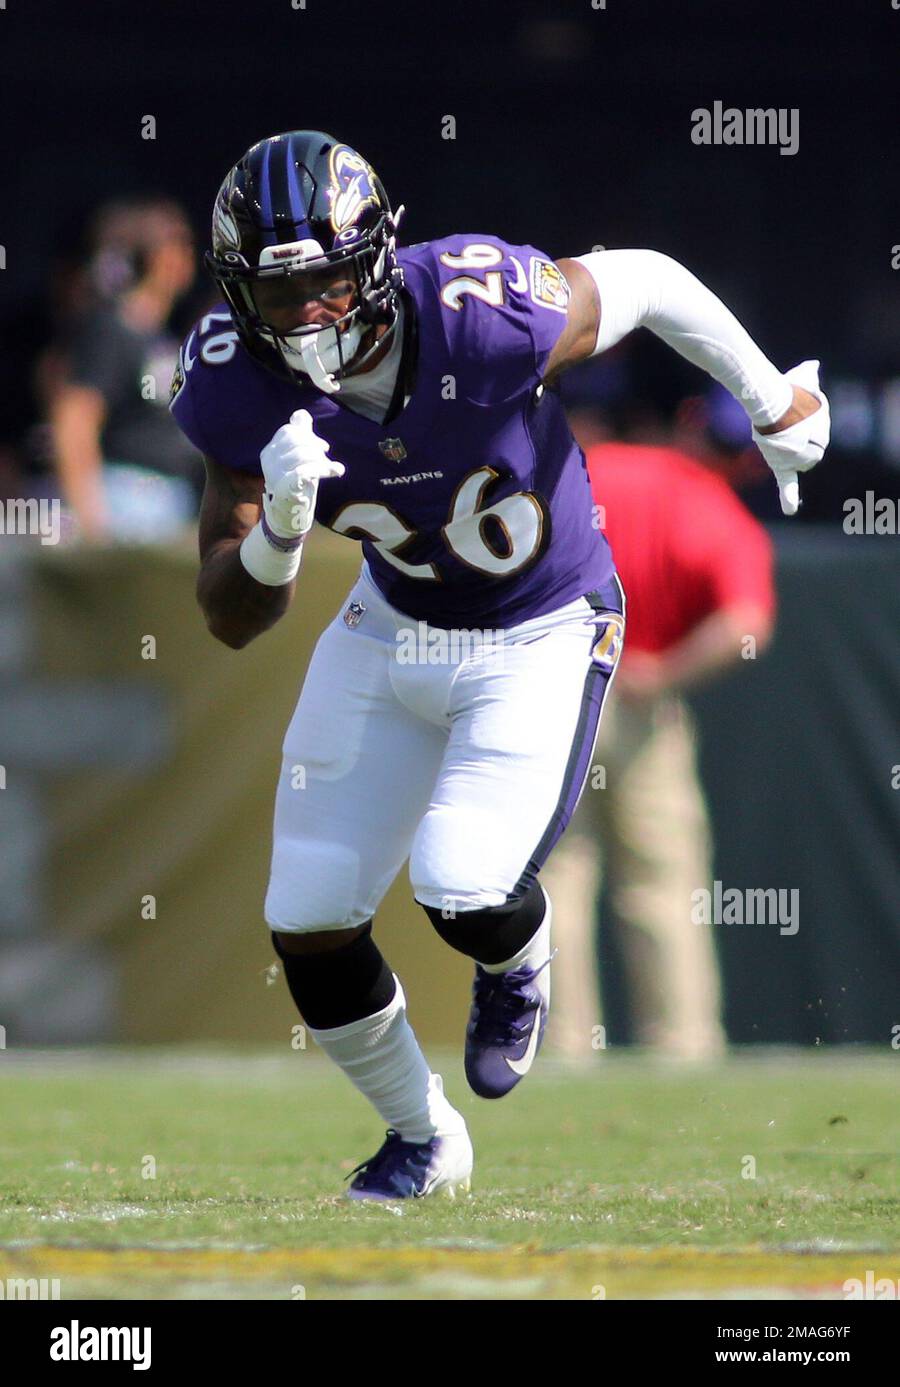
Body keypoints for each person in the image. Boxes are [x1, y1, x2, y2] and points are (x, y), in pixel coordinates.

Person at [169, 129, 829, 1201]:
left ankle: (516, 955)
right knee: (307, 912)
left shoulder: (481, 309)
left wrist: (771, 400)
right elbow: (233, 614)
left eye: (334, 282)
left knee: (464, 887)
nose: (314, 317)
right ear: (242, 296)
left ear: (377, 260)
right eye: (282, 295)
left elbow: (651, 281)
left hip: (540, 621)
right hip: (392, 623)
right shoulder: (234, 385)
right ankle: (423, 1138)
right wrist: (277, 533)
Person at [541, 411, 777, 1061]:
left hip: (550, 692)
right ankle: (681, 1049)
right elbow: (745, 623)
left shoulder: (587, 468)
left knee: (555, 878)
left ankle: (558, 1050)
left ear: (684, 423)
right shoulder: (707, 501)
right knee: (661, 884)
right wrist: (665, 672)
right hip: (640, 702)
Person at [49, 199, 202, 542]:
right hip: (127, 501)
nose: (186, 253)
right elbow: (74, 421)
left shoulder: (158, 336)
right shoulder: (111, 328)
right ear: (149, 255)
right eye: (176, 242)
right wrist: (92, 525)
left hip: (171, 505)